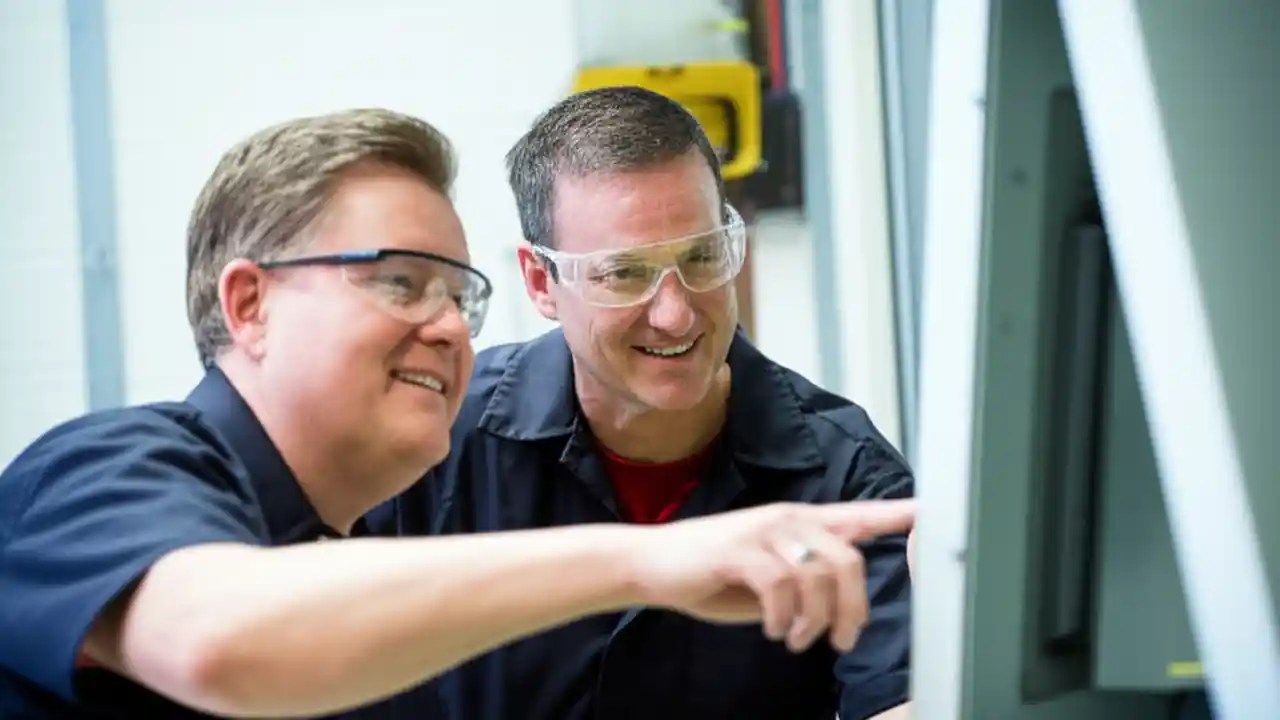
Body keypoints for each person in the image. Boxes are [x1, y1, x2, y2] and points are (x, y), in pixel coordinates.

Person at [0, 108, 915, 719]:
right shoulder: (104, 471)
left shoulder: (844, 465)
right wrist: (646, 561)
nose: (446, 327)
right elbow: (213, 642)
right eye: (399, 281)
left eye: (455, 293)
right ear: (249, 307)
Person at [369, 88, 915, 719]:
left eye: (702, 257)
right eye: (624, 273)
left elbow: (901, 700)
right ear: (542, 282)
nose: (676, 313)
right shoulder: (434, 441)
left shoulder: (848, 478)